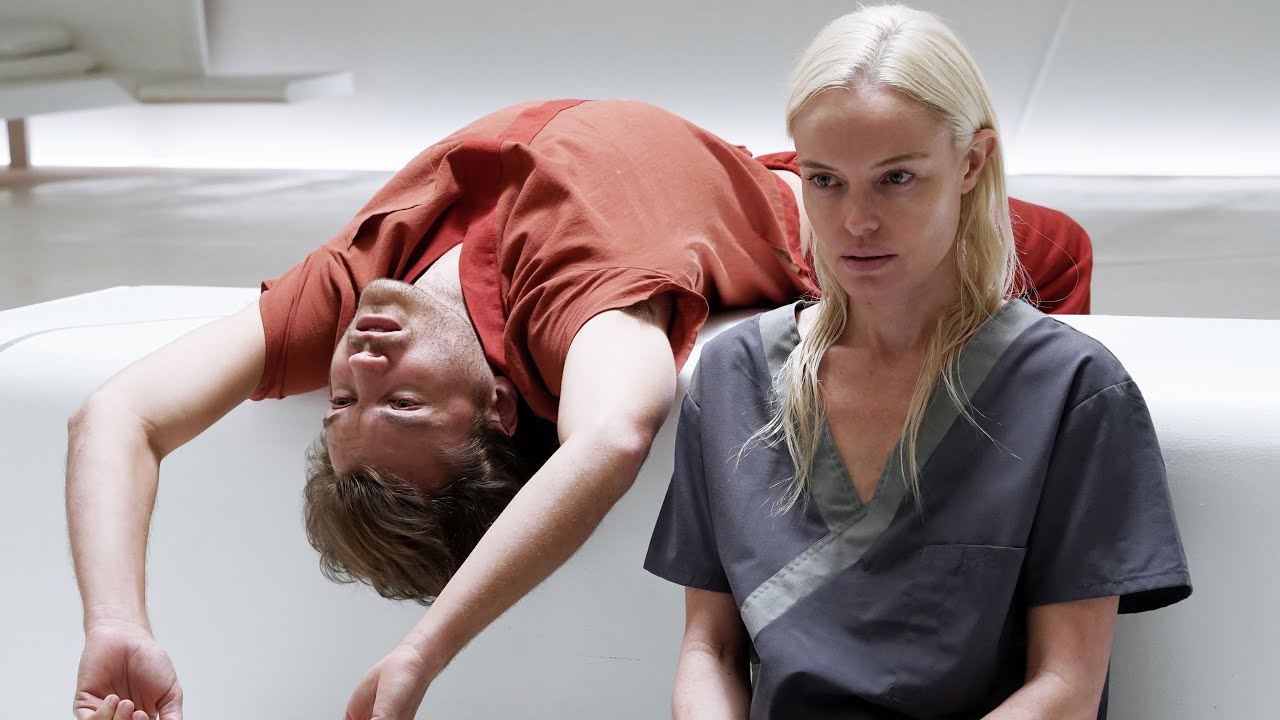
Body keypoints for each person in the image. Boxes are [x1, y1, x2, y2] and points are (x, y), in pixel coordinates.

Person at [66, 96, 1092, 719]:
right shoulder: (565, 295)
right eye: (404, 402)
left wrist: (116, 623)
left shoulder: (358, 290)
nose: (365, 361)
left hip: (753, 168)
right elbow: (611, 429)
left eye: (341, 398)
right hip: (849, 224)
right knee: (1052, 250)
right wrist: (425, 651)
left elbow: (118, 417)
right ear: (498, 406)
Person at [644, 6, 1189, 719]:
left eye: (895, 177)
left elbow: (1066, 685)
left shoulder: (1071, 390)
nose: (856, 222)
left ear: (972, 162)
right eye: (825, 180)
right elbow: (709, 651)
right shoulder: (733, 378)